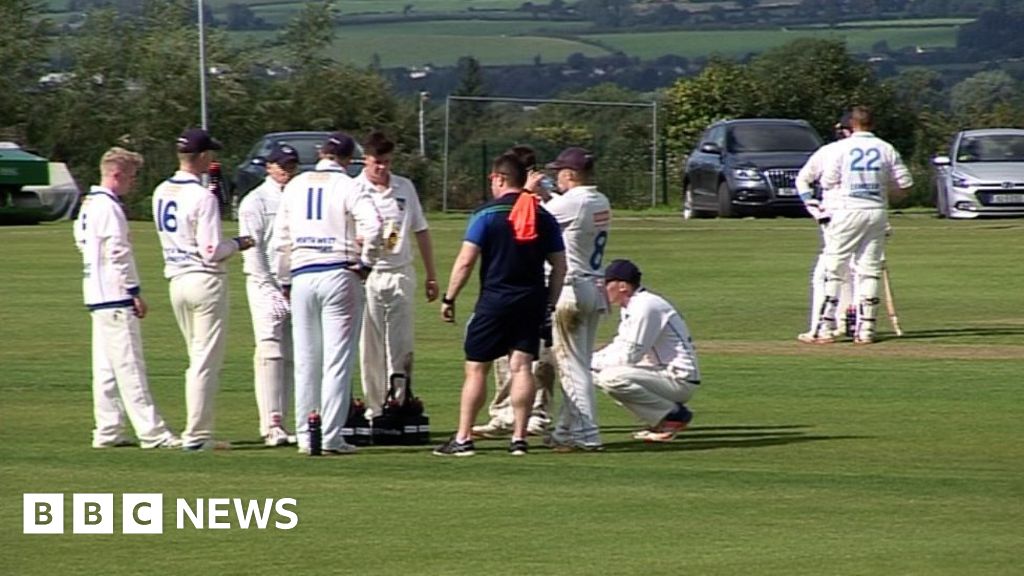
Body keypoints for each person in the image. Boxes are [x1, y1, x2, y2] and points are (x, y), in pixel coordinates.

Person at [434, 152, 566, 457]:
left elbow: (466, 261)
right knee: (522, 367)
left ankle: (464, 437)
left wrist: (449, 297)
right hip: (531, 300)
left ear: (500, 178)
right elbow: (560, 266)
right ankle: (519, 438)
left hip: (494, 299)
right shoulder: (543, 215)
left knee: (476, 368)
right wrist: (550, 303)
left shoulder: (485, 214)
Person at [272, 131, 381, 455]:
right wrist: (366, 263)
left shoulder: (295, 185)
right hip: (339, 271)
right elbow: (373, 226)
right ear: (348, 160)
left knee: (306, 359)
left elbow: (279, 240)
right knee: (337, 359)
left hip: (302, 275)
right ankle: (331, 436)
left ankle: (307, 435)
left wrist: (284, 280)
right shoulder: (350, 185)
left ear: (321, 154)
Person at [153, 128, 254, 451]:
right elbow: (212, 250)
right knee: (204, 362)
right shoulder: (202, 196)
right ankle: (197, 436)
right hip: (204, 280)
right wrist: (241, 242)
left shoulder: (160, 191)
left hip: (176, 281)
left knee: (197, 358)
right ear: (203, 157)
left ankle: (198, 432)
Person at [74, 147, 180, 449]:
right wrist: (132, 290)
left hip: (96, 292)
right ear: (117, 175)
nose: (133, 183)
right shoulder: (108, 207)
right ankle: (153, 433)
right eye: (132, 177)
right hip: (114, 295)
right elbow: (118, 252)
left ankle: (108, 429)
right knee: (129, 365)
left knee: (106, 367)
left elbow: (81, 241)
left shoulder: (88, 204)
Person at [472, 145, 556, 439]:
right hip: (517, 291)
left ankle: (536, 413)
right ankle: (504, 413)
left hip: (533, 286)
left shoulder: (545, 204)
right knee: (505, 361)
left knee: (535, 360)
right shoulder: (516, 204)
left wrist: (532, 197)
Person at [354, 131, 438, 420]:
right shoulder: (354, 190)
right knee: (371, 343)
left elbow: (421, 230)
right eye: (377, 162)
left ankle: (399, 401)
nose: (382, 168)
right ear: (365, 159)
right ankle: (373, 406)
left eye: (387, 162)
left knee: (401, 342)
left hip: (400, 272)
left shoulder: (405, 187)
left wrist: (431, 275)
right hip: (369, 274)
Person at [814, 106, 913, 344]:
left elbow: (828, 181)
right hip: (877, 211)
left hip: (847, 211)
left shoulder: (841, 148)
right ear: (872, 124)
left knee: (834, 267)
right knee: (869, 269)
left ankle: (825, 327)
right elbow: (905, 185)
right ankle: (866, 330)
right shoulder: (885, 148)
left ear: (852, 124)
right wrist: (883, 193)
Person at [542, 147, 611, 452]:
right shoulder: (599, 199)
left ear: (570, 174)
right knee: (578, 363)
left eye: (559, 171)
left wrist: (532, 193)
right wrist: (547, 194)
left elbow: (535, 219)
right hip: (594, 285)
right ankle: (564, 432)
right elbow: (560, 211)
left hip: (571, 287)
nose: (556, 176)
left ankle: (587, 435)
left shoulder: (574, 200)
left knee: (572, 368)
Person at [593, 260, 701, 443]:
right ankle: (662, 420)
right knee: (591, 372)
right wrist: (586, 360)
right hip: (660, 373)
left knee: (611, 377)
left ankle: (673, 416)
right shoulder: (633, 306)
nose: (602, 289)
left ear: (622, 286)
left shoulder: (646, 306)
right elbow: (619, 345)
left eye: (606, 284)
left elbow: (629, 355)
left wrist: (586, 361)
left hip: (679, 378)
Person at [239, 142, 299, 447]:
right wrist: (268, 288)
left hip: (295, 283)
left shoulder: (298, 195)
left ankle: (286, 420)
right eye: (281, 165)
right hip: (265, 284)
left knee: (291, 354)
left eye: (291, 165)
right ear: (268, 167)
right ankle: (271, 423)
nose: (287, 170)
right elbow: (253, 249)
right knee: (270, 350)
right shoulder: (256, 201)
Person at [795, 113, 856, 343]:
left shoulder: (836, 151)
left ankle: (827, 326)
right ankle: (846, 323)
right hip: (846, 219)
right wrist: (814, 207)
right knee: (849, 272)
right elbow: (803, 180)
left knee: (829, 274)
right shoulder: (830, 151)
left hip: (843, 220)